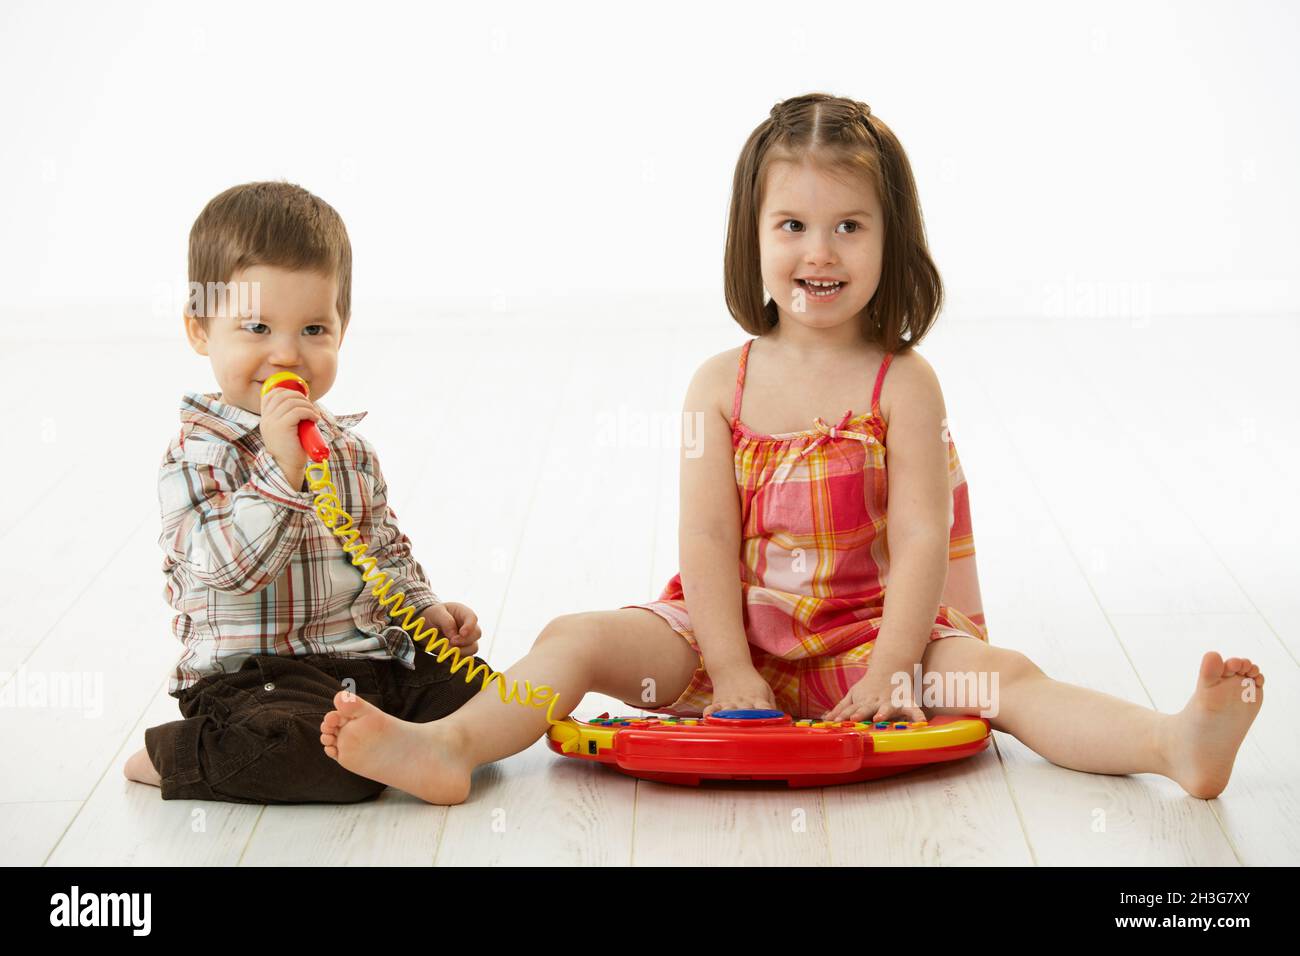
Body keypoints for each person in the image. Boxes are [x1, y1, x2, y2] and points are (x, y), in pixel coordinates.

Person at [318, 93, 1263, 806]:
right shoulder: (716, 385)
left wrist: (896, 666)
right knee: (576, 638)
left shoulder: (905, 384)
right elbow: (706, 544)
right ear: (755, 235)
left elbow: (926, 543)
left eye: (850, 226)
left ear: (893, 241)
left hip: (874, 641)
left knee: (1004, 680)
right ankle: (456, 745)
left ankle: (1170, 744)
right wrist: (728, 669)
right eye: (795, 226)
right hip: (735, 633)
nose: (822, 250)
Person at [124, 181, 489, 803]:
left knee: (482, 698)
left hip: (364, 662)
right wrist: (281, 470)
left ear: (342, 329)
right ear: (199, 330)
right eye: (258, 327)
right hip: (254, 681)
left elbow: (382, 551)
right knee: (305, 752)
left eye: (314, 328)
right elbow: (232, 570)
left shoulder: (347, 448)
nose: (287, 353)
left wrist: (421, 608)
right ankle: (179, 755)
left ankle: (406, 747)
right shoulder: (196, 455)